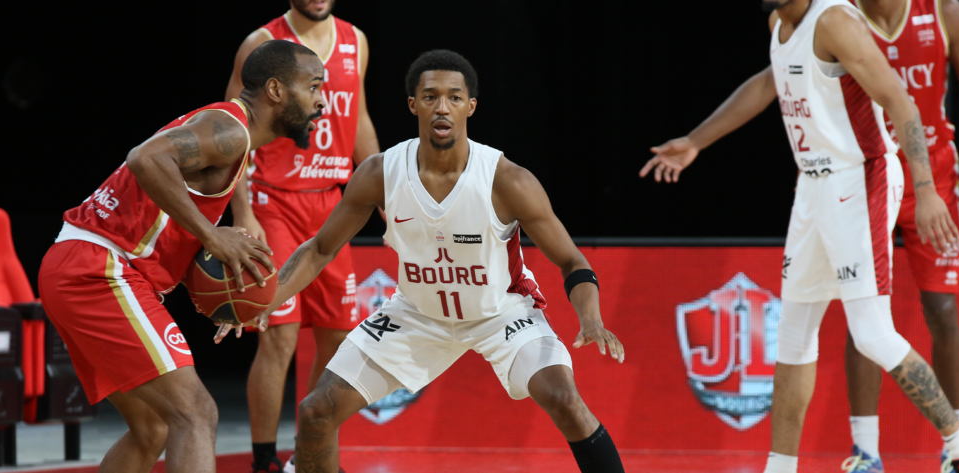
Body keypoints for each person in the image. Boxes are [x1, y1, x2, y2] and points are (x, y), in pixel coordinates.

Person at [217, 49, 627, 473]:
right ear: (414, 105)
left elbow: (571, 260)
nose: (442, 107)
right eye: (430, 97)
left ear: (471, 106)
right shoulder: (380, 172)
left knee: (565, 400)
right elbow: (320, 249)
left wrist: (591, 319)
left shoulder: (507, 180)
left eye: (454, 97)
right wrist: (264, 300)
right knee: (315, 411)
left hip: (500, 314)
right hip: (416, 315)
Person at [638, 1, 959, 472]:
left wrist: (926, 189)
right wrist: (697, 140)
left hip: (861, 177)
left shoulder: (834, 20)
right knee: (794, 337)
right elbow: (768, 83)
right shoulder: (779, 21)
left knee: (873, 333)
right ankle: (780, 467)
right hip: (814, 186)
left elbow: (901, 101)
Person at [38, 40, 325, 473]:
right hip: (98, 269)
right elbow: (145, 158)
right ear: (275, 90)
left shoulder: (229, 133)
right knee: (196, 414)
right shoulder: (230, 131)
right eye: (314, 87)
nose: (322, 101)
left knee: (152, 427)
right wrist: (211, 236)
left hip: (81, 264)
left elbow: (161, 220)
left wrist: (234, 290)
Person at [224, 2, 378, 469]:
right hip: (274, 202)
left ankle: (308, 455)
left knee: (338, 337)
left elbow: (359, 120)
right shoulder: (261, 42)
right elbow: (233, 125)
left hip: (331, 203)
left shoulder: (356, 40)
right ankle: (263, 460)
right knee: (279, 337)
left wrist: (388, 195)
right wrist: (243, 211)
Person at [843, 0, 959, 470]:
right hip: (866, 172)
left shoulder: (944, 12)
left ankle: (958, 449)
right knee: (864, 314)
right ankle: (866, 453)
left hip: (932, 176)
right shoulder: (840, 15)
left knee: (942, 309)